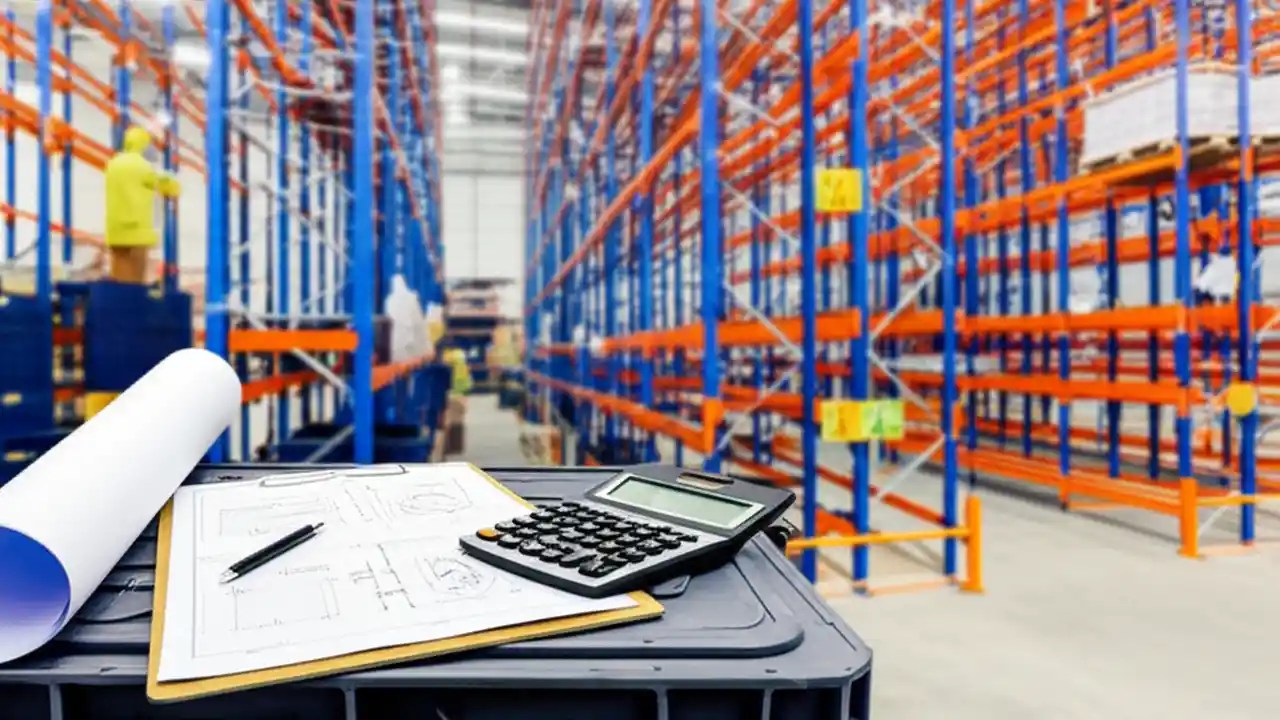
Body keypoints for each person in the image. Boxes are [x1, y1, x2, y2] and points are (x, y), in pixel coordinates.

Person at [104, 126, 180, 283]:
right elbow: (166, 185)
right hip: (137, 231)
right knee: (135, 278)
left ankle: (116, 303)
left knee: (118, 274)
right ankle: (132, 305)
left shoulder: (113, 164)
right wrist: (174, 182)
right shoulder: (142, 166)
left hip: (115, 231)